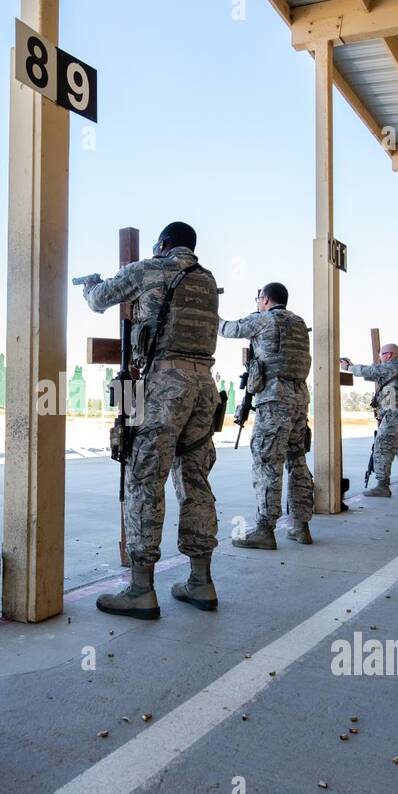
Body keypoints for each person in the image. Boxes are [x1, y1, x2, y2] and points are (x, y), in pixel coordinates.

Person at [82, 222, 222, 618]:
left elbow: (99, 300)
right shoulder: (207, 281)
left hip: (164, 386)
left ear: (162, 244)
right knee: (194, 480)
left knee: (144, 479)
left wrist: (91, 284)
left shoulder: (151, 268)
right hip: (203, 386)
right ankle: (201, 582)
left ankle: (141, 588)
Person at [219, 282, 314, 549]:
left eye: (259, 298)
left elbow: (227, 329)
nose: (258, 302)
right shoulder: (298, 323)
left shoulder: (263, 320)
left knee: (267, 462)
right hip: (299, 397)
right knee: (297, 461)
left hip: (274, 399)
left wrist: (207, 309)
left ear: (266, 299)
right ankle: (301, 526)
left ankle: (264, 529)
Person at [340, 345, 398, 497]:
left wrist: (349, 368)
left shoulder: (391, 366)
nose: (379, 358)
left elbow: (370, 371)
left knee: (382, 448)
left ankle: (382, 485)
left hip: (394, 416)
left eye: (381, 355)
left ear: (389, 355)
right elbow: (375, 374)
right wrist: (352, 364)